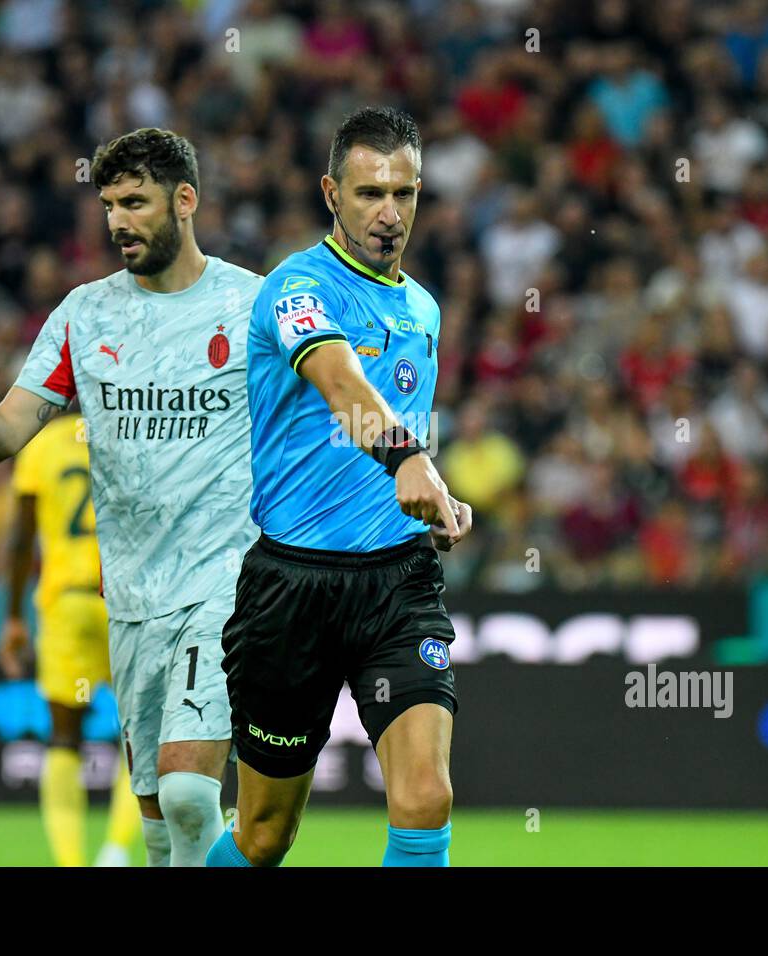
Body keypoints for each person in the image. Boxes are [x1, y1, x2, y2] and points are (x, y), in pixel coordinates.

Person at [0, 128, 262, 866]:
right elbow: (3, 434)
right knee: (158, 824)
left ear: (186, 200)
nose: (119, 221)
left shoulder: (252, 306)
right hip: (125, 598)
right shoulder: (83, 317)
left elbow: (320, 418)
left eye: (136, 202)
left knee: (192, 799)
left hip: (223, 587)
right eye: (109, 205)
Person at [207, 107, 473, 868]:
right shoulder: (297, 288)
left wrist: (435, 494)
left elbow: (395, 421)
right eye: (368, 194)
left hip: (399, 582)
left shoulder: (422, 305)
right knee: (264, 835)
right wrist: (407, 460)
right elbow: (340, 382)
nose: (389, 214)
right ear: (331, 192)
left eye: (405, 193)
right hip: (293, 590)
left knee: (426, 796)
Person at [0, 406, 142, 867]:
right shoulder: (128, 432)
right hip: (126, 597)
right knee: (140, 734)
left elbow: (21, 539)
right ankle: (117, 849)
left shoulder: (40, 445)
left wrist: (14, 617)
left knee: (63, 736)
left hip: (67, 601)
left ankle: (71, 863)